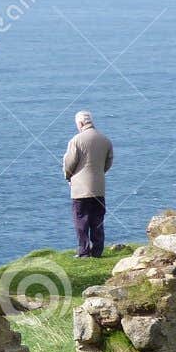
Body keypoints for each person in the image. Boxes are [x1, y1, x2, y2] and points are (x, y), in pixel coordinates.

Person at [62, 110, 113, 258]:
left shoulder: (76, 140)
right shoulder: (105, 140)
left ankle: (84, 251)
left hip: (80, 189)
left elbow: (69, 163)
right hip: (99, 187)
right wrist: (99, 173)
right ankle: (97, 251)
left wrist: (68, 177)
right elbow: (108, 163)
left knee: (81, 219)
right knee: (97, 220)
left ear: (80, 123)